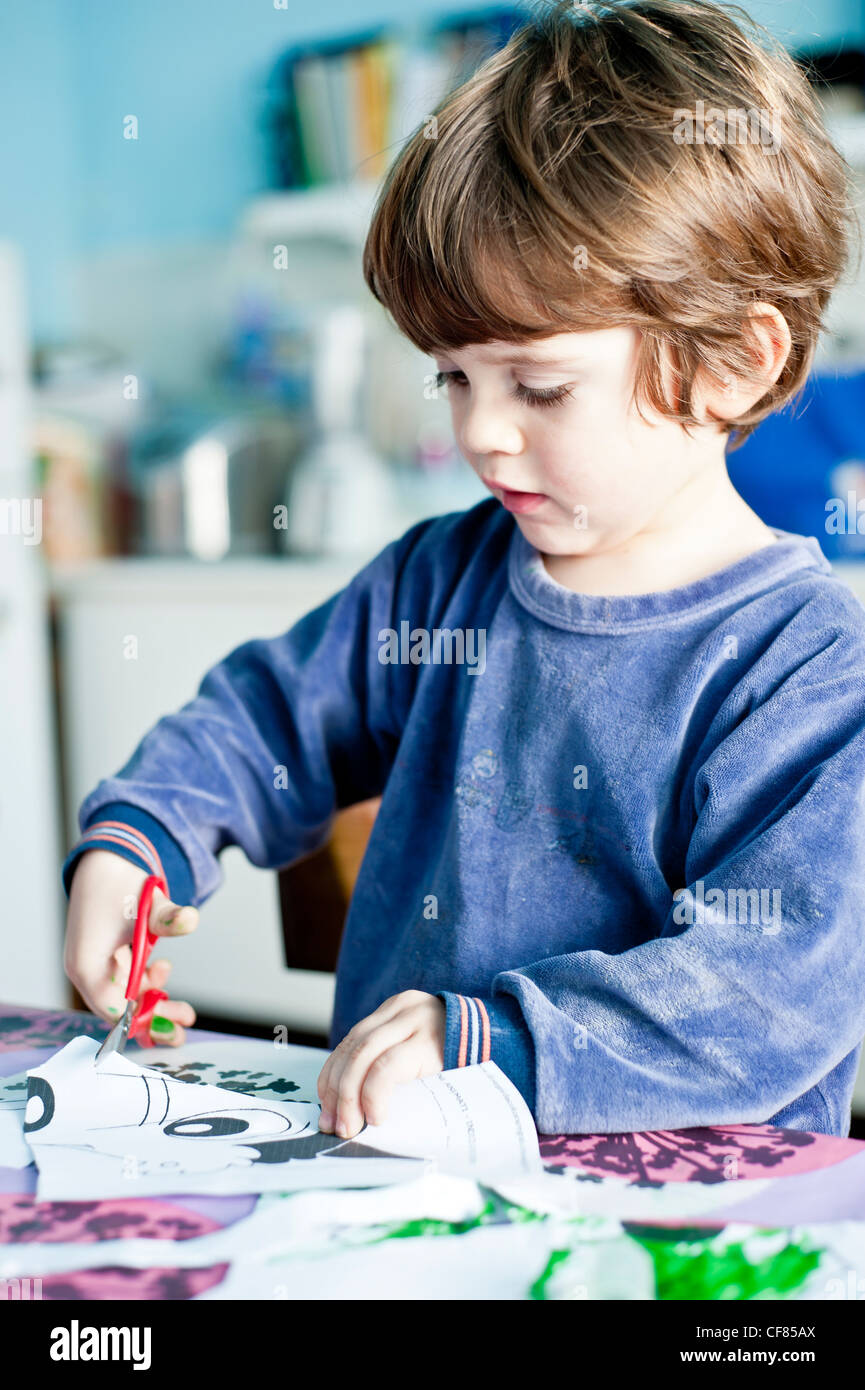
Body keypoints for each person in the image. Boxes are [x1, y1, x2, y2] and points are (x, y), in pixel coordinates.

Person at [64, 0, 865, 1140]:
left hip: (691, 1233)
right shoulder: (439, 582)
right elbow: (260, 721)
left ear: (733, 363)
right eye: (453, 376)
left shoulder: (805, 664)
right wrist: (139, 837)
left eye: (537, 386)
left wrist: (491, 1035)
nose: (480, 432)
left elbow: (774, 992)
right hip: (410, 1187)